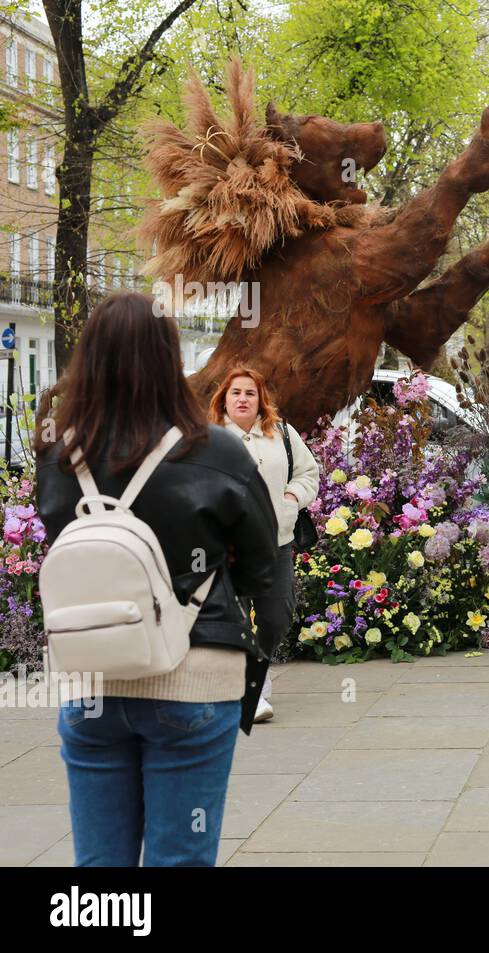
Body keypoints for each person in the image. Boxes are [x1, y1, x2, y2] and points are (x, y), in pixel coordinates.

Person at [35, 291, 279, 867]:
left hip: (92, 679)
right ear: (168, 358)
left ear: (90, 359)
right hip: (193, 677)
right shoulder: (217, 450)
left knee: (101, 870)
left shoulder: (60, 456)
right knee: (181, 858)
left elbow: (63, 552)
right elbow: (264, 571)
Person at [209, 366, 319, 722]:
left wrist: (291, 498)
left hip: (276, 541)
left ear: (260, 401)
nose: (242, 398)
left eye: (250, 393)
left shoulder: (282, 434)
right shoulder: (206, 439)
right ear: (224, 398)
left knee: (276, 616)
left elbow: (309, 473)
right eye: (236, 392)